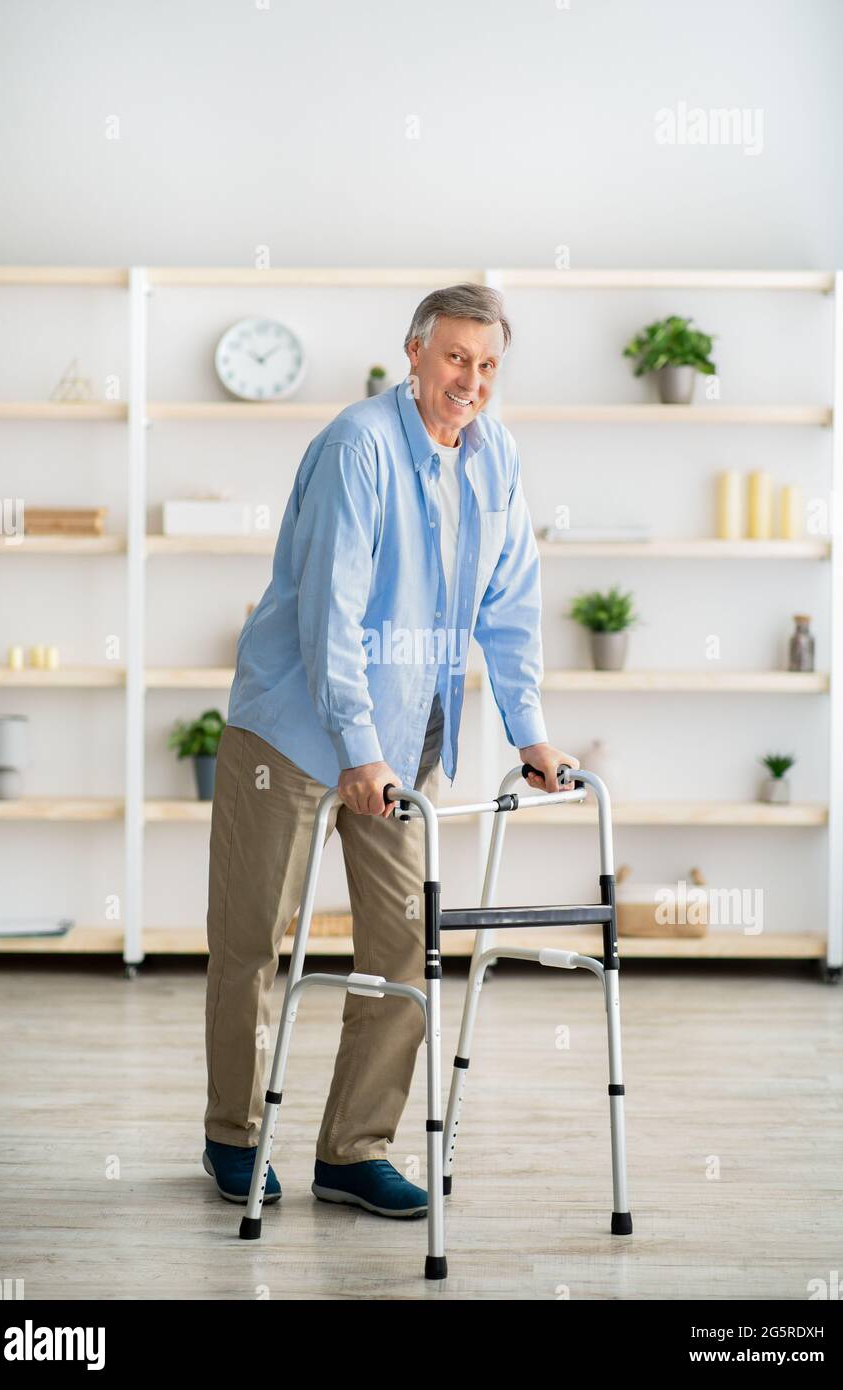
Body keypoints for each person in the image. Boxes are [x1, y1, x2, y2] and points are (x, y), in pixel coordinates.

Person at [202, 282, 578, 1218]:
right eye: (455, 358)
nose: (470, 381)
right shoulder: (357, 446)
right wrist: (356, 750)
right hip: (293, 731)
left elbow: (511, 605)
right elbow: (333, 611)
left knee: (407, 939)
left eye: (488, 365)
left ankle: (353, 1150)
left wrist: (529, 732)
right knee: (257, 937)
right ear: (414, 353)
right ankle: (233, 1137)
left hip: (401, 743)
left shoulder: (496, 459)